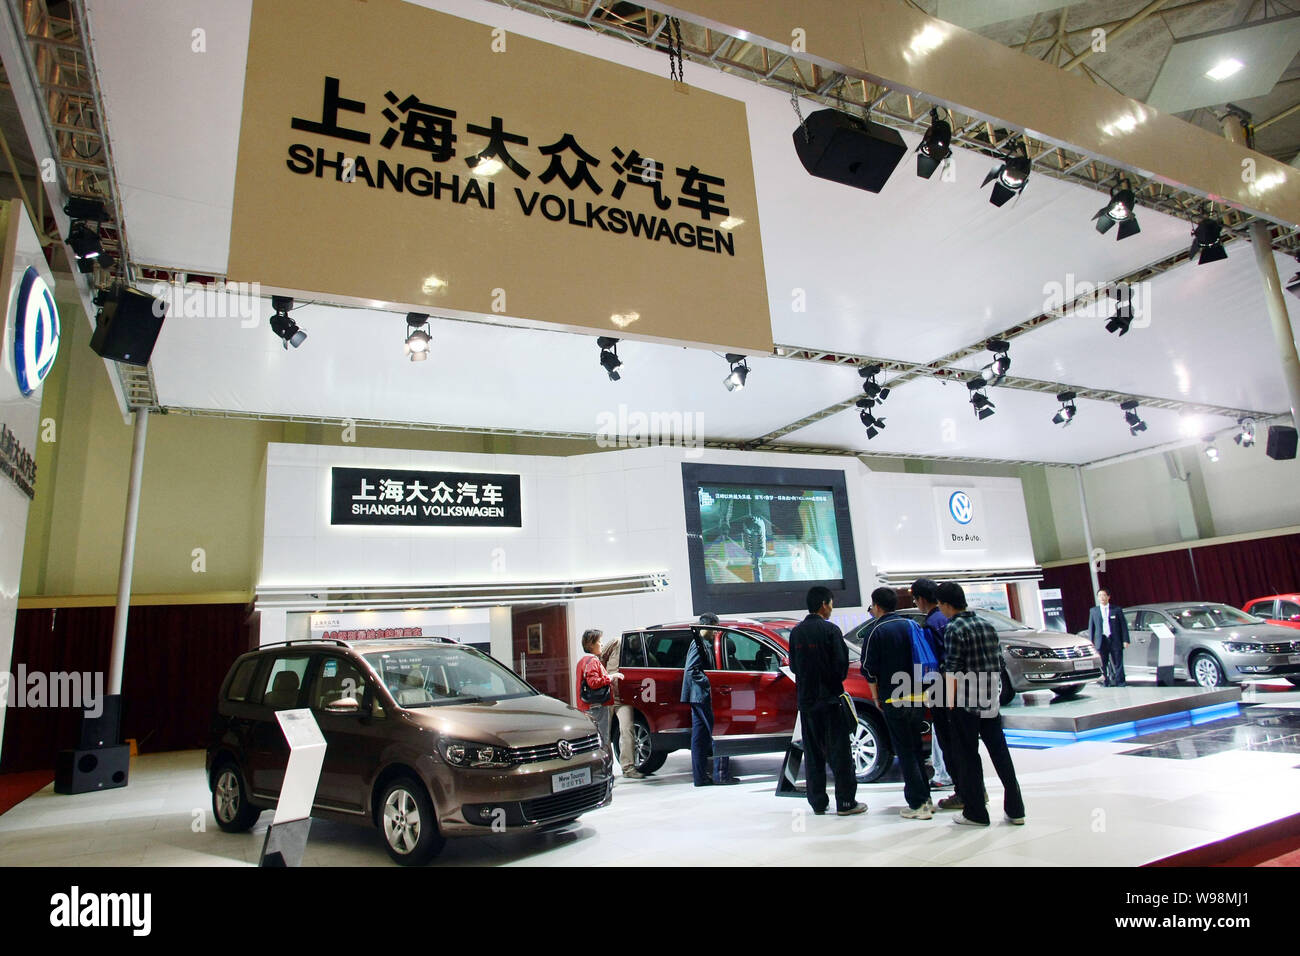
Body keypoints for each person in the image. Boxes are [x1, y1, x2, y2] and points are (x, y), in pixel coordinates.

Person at [936, 582, 1025, 827]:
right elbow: (998, 662)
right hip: (989, 700)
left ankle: (976, 813)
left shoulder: (954, 627)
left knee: (968, 757)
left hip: (965, 703)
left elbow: (952, 668)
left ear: (945, 604)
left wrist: (950, 701)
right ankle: (1016, 809)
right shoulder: (987, 625)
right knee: (1000, 753)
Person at [789, 586, 866, 816]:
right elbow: (841, 667)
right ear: (824, 604)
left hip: (807, 703)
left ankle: (818, 803)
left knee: (813, 754)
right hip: (830, 701)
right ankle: (845, 802)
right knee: (839, 753)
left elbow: (793, 666)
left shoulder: (796, 633)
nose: (832, 608)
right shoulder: (831, 630)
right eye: (831, 603)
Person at [862, 587, 932, 819]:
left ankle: (918, 803)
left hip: (894, 697)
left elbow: (869, 670)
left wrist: (875, 697)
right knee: (917, 748)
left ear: (877, 606)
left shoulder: (875, 631)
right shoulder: (911, 625)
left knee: (905, 751)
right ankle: (927, 797)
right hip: (919, 695)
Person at [682, 613, 738, 786]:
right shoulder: (699, 643)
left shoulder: (700, 641)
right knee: (719, 734)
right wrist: (712, 681)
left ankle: (700, 778)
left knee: (699, 738)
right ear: (707, 626)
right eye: (714, 629)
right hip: (702, 696)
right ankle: (721, 775)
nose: (715, 633)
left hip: (697, 696)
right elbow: (692, 670)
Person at [912, 578, 954, 791]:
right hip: (961, 685)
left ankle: (946, 775)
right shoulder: (947, 619)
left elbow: (930, 661)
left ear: (920, 599)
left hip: (940, 686)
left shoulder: (930, 624)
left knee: (943, 734)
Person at [599, 631, 645, 779]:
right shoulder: (616, 642)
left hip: (625, 697)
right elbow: (601, 659)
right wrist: (605, 678)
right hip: (607, 695)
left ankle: (628, 767)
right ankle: (604, 769)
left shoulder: (640, 652)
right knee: (603, 733)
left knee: (627, 729)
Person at [575, 629, 621, 763]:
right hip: (597, 706)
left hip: (586, 706)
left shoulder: (582, 661)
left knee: (593, 740)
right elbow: (593, 682)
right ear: (591, 644)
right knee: (603, 739)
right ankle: (606, 769)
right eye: (599, 642)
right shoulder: (593, 661)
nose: (601, 644)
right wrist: (610, 677)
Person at [1089, 589, 1130, 687]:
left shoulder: (1116, 609)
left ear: (1108, 597)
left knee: (1118, 662)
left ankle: (1120, 681)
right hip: (1101, 640)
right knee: (1103, 663)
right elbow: (1092, 628)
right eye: (1100, 596)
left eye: (1104, 595)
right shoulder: (1094, 611)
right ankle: (1105, 681)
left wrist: (1126, 640)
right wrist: (1092, 643)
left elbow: (1123, 626)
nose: (1102, 597)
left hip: (1114, 639)